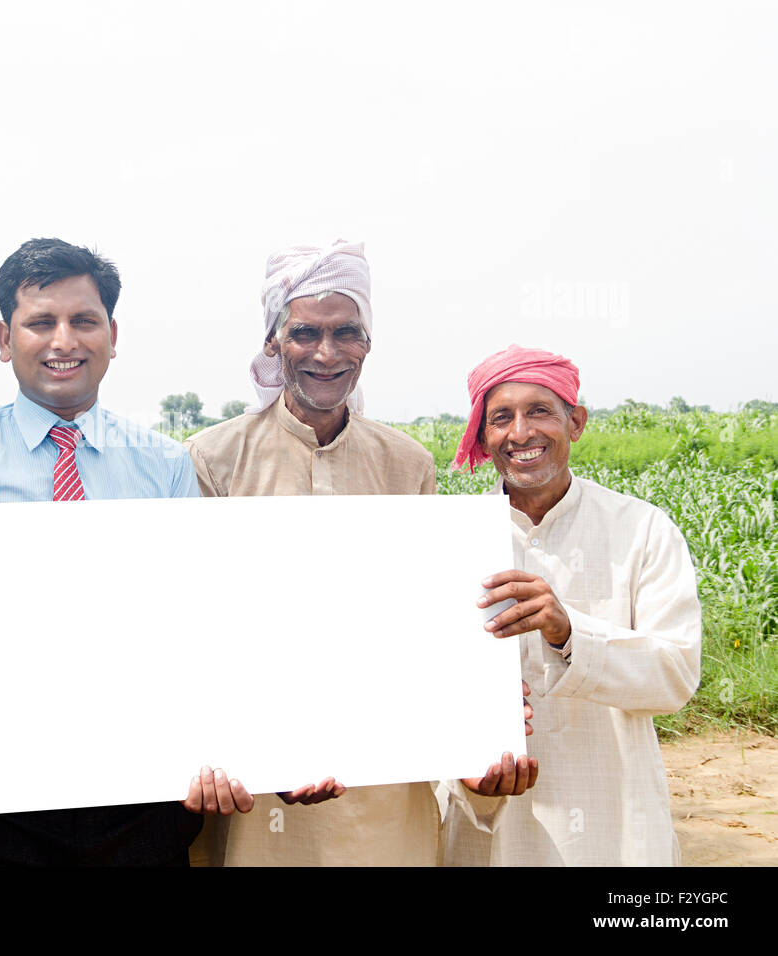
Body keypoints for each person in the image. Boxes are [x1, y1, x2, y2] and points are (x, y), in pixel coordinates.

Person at [0, 237, 282, 865]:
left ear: (112, 332)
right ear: (4, 339)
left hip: (141, 793)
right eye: (40, 322)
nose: (64, 341)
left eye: (83, 320)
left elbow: (194, 621)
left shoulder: (163, 465)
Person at [185, 240, 537, 865]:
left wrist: (476, 721)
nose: (326, 352)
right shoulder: (213, 458)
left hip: (385, 788)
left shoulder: (406, 463)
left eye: (346, 332)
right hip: (258, 789)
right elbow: (201, 627)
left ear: (368, 343)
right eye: (304, 333)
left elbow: (431, 624)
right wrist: (263, 751)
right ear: (273, 342)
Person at [442, 345, 702, 865]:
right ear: (482, 437)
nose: (520, 433)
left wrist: (568, 632)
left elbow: (675, 675)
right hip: (489, 816)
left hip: (613, 819)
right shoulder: (451, 540)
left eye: (539, 410)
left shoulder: (642, 529)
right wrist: (466, 765)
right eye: (500, 418)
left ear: (575, 421)